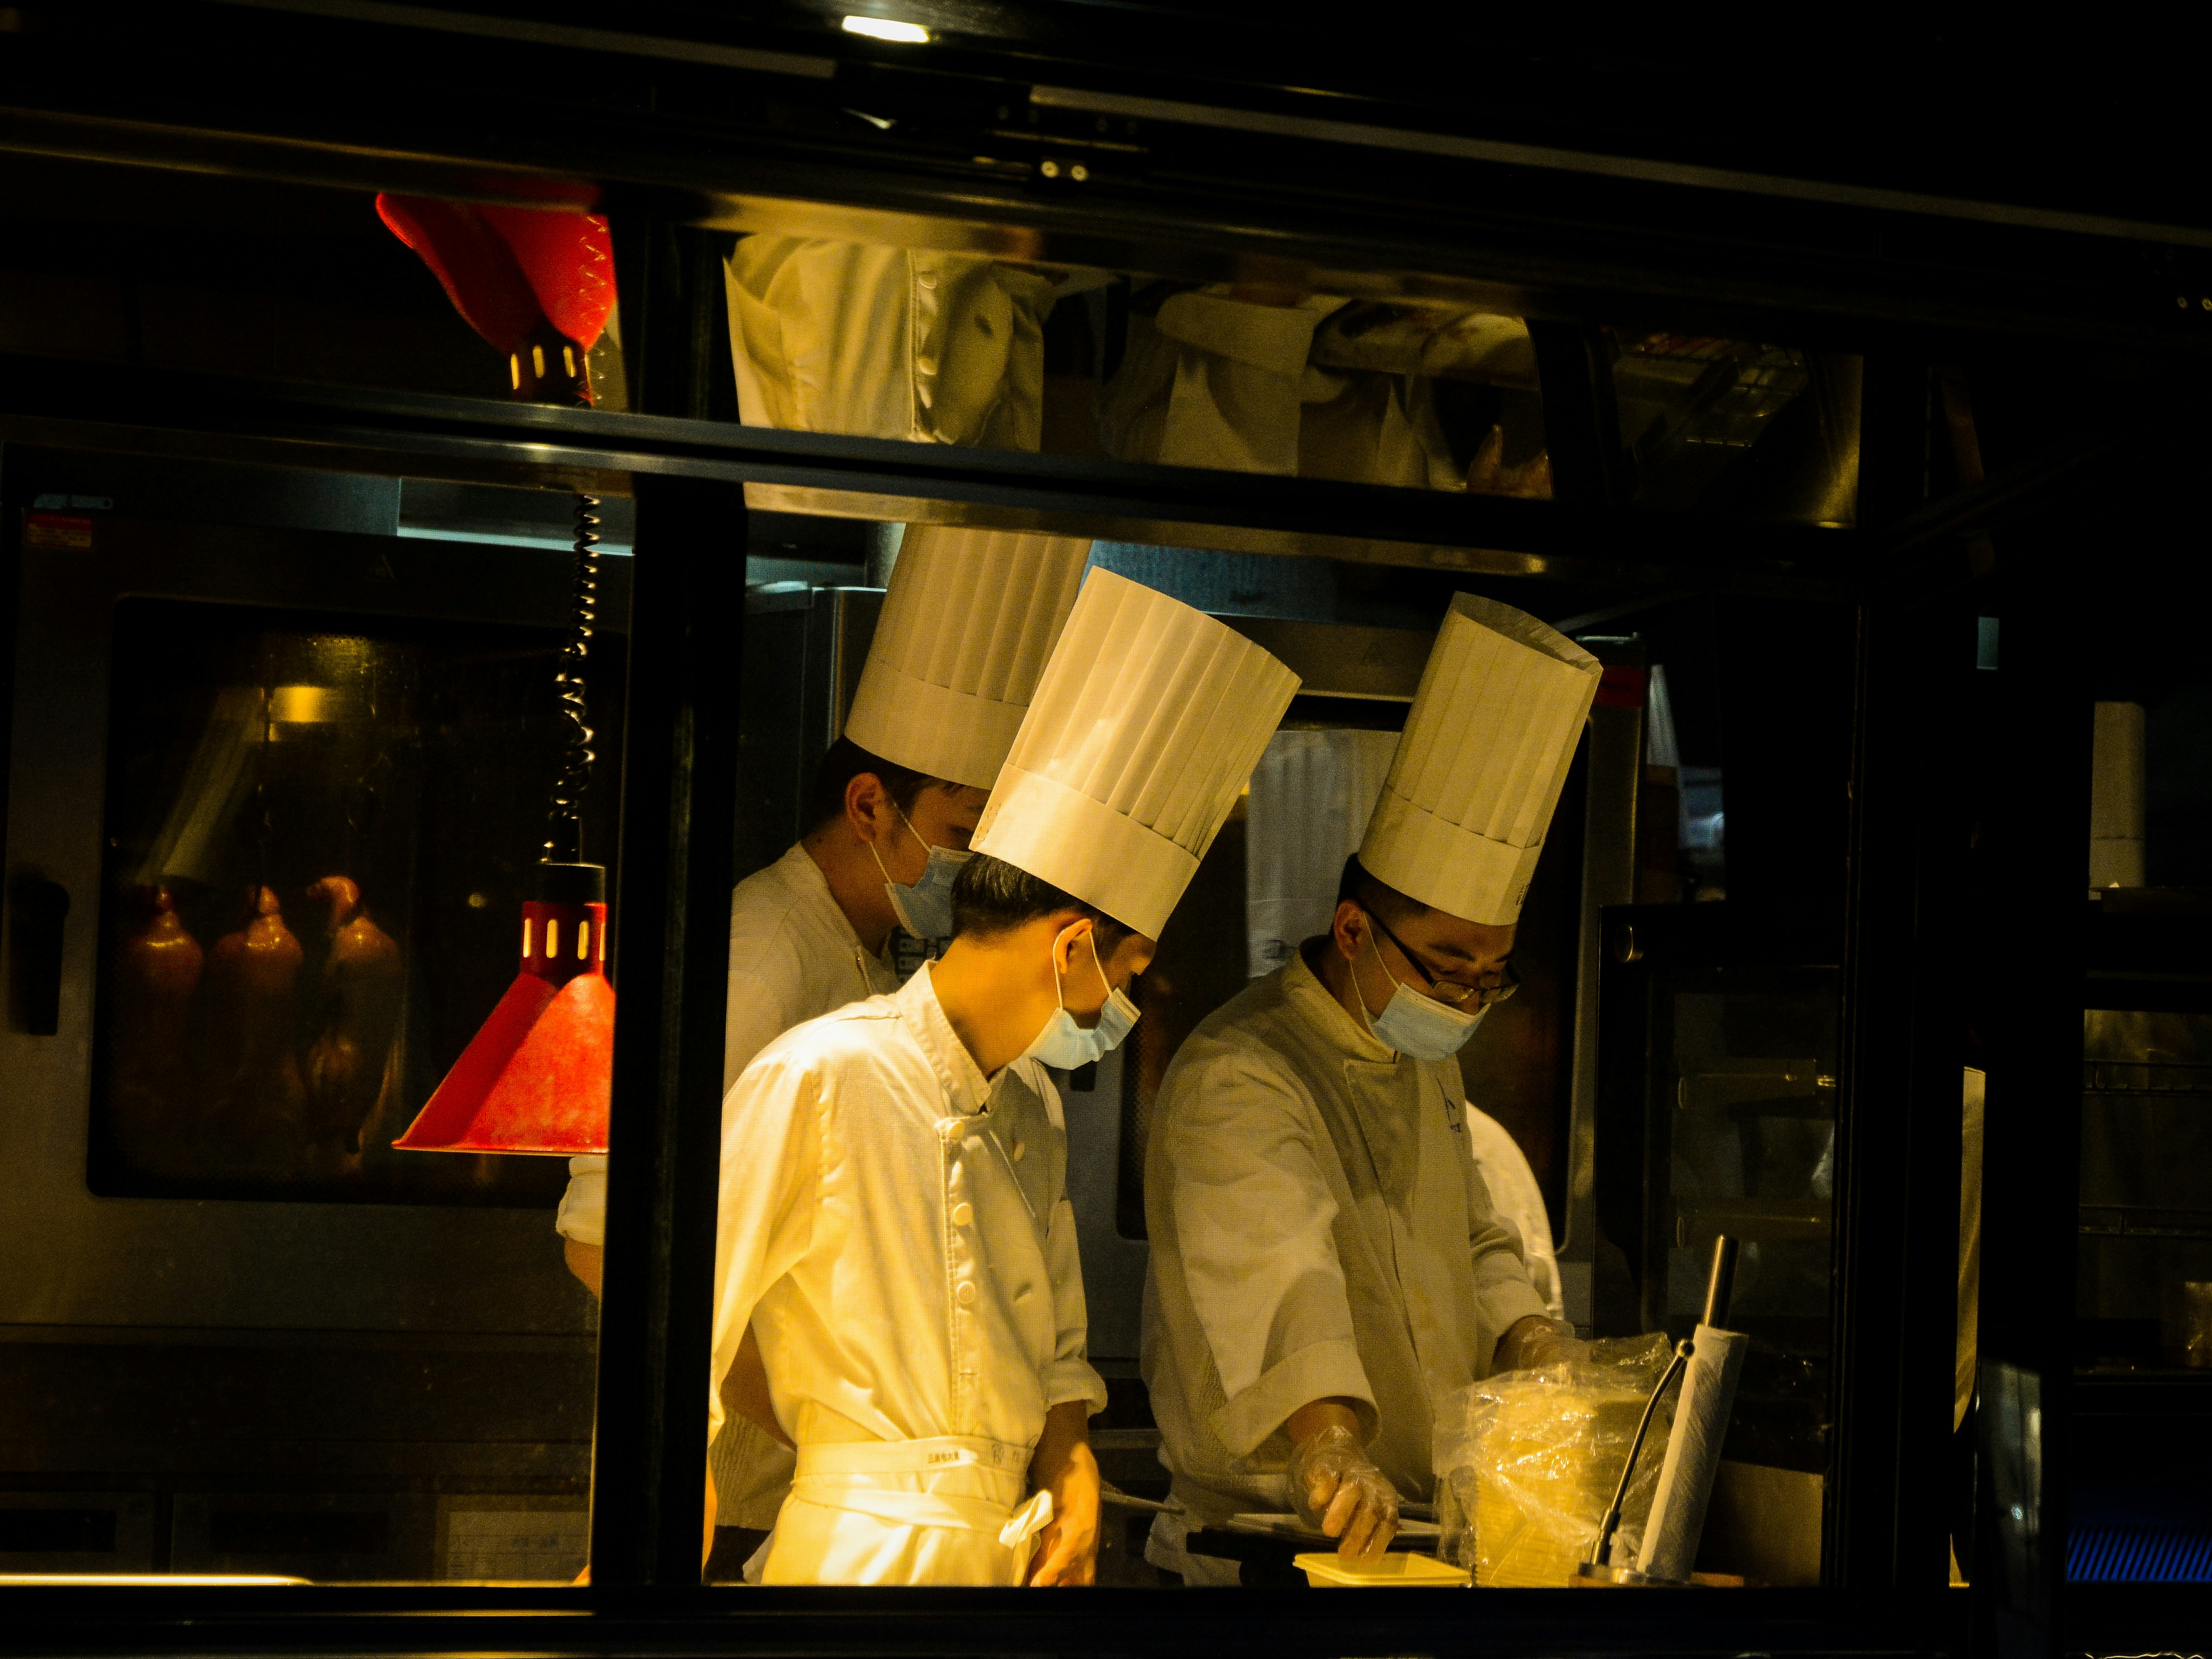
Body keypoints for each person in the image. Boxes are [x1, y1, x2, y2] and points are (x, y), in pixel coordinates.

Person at [706, 570, 1299, 1585]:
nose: (1129, 1001)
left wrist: (1069, 1470)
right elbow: (689, 1317)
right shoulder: (821, 1070)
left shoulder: (1027, 1103)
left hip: (1007, 1566)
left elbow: (1057, 1345)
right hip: (854, 1560)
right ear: (1072, 950)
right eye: (1131, 969)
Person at [557, 524, 1090, 1571]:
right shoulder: (756, 960)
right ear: (868, 806)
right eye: (968, 830)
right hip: (748, 1503)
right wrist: (843, 1427)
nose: (983, 868)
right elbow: (607, 1242)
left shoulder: (888, 955)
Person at [1140, 591, 1602, 1583]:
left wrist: (1531, 1334)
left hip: (1412, 1541)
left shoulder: (1424, 1058)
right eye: (1446, 965)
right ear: (1354, 931)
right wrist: (1330, 1442)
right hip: (1268, 1550)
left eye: (1490, 971)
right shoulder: (1243, 1072)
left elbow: (1472, 1237)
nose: (1468, 996)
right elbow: (1279, 1282)